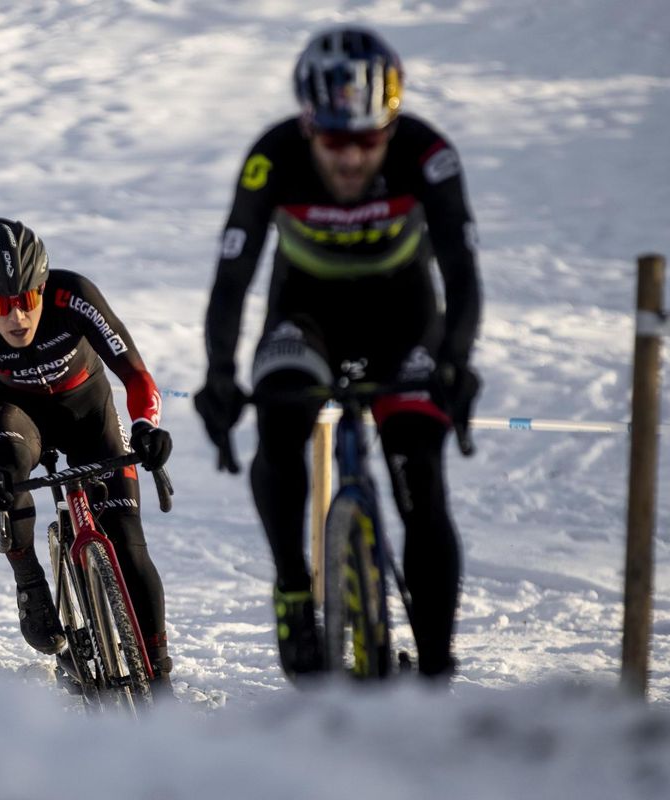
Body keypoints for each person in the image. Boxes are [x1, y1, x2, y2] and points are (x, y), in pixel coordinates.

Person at [194, 25, 482, 683]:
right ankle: (295, 589)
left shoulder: (428, 152)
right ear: (307, 125)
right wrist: (218, 375)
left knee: (422, 484)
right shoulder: (272, 157)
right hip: (305, 315)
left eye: (367, 140)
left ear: (390, 126)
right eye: (334, 142)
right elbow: (232, 277)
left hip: (405, 320)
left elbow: (463, 269)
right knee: (280, 416)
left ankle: (436, 670)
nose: (351, 160)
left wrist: (457, 361)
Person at [0, 218, 176, 698]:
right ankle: (28, 578)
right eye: (2, 306)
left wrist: (147, 426)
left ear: (43, 288)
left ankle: (160, 670)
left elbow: (135, 375)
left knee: (129, 544)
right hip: (15, 415)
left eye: (27, 300)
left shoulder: (75, 295)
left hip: (88, 410)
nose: (17, 318)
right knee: (4, 474)